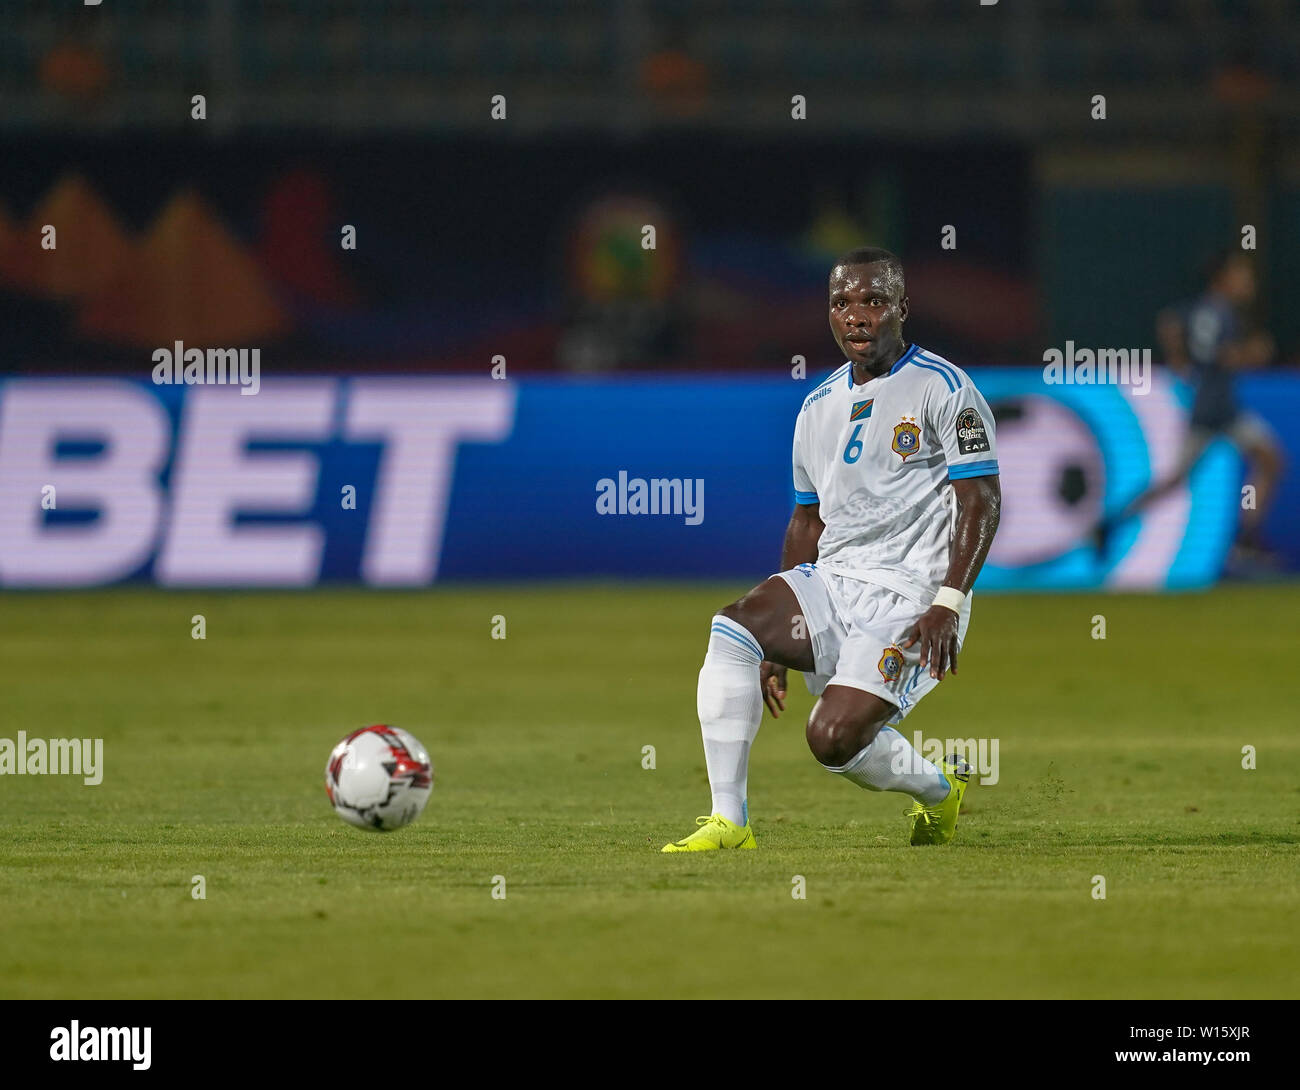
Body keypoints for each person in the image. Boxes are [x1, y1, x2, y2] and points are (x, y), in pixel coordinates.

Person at [662, 248, 1001, 851]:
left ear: (901, 307)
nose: (856, 317)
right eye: (842, 303)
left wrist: (949, 602)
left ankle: (939, 791)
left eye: (872, 301)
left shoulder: (945, 388)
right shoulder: (817, 407)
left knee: (833, 740)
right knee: (734, 629)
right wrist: (782, 629)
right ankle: (729, 822)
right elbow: (806, 518)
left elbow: (981, 500)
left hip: (913, 595)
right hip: (834, 580)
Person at [1093, 250, 1284, 562]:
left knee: (1182, 479)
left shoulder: (1212, 310)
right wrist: (1252, 353)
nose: (1248, 282)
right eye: (1241, 274)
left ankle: (1112, 523)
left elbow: (1170, 322)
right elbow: (1214, 356)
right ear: (1223, 278)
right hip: (1215, 410)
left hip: (1219, 408)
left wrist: (1178, 357)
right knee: (1267, 460)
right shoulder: (1214, 311)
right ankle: (1246, 537)